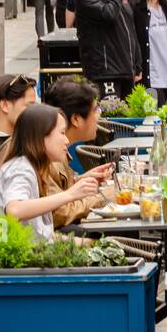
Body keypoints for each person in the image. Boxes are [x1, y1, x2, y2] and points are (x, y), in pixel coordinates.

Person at [0, 104, 105, 241]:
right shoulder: (21, 168)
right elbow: (15, 210)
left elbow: (41, 236)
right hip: (7, 256)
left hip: (20, 250)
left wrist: (87, 243)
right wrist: (70, 194)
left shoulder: (30, 166)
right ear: (41, 136)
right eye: (62, 133)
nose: (66, 140)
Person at [40, 79, 114, 226]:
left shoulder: (55, 147)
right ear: (76, 119)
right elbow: (59, 213)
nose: (99, 115)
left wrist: (82, 180)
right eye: (95, 110)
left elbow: (58, 191)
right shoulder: (47, 152)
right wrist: (103, 197)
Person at [75, 0, 142, 100]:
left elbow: (130, 28)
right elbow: (108, 15)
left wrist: (137, 62)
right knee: (110, 117)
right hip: (105, 70)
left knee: (126, 118)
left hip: (126, 68)